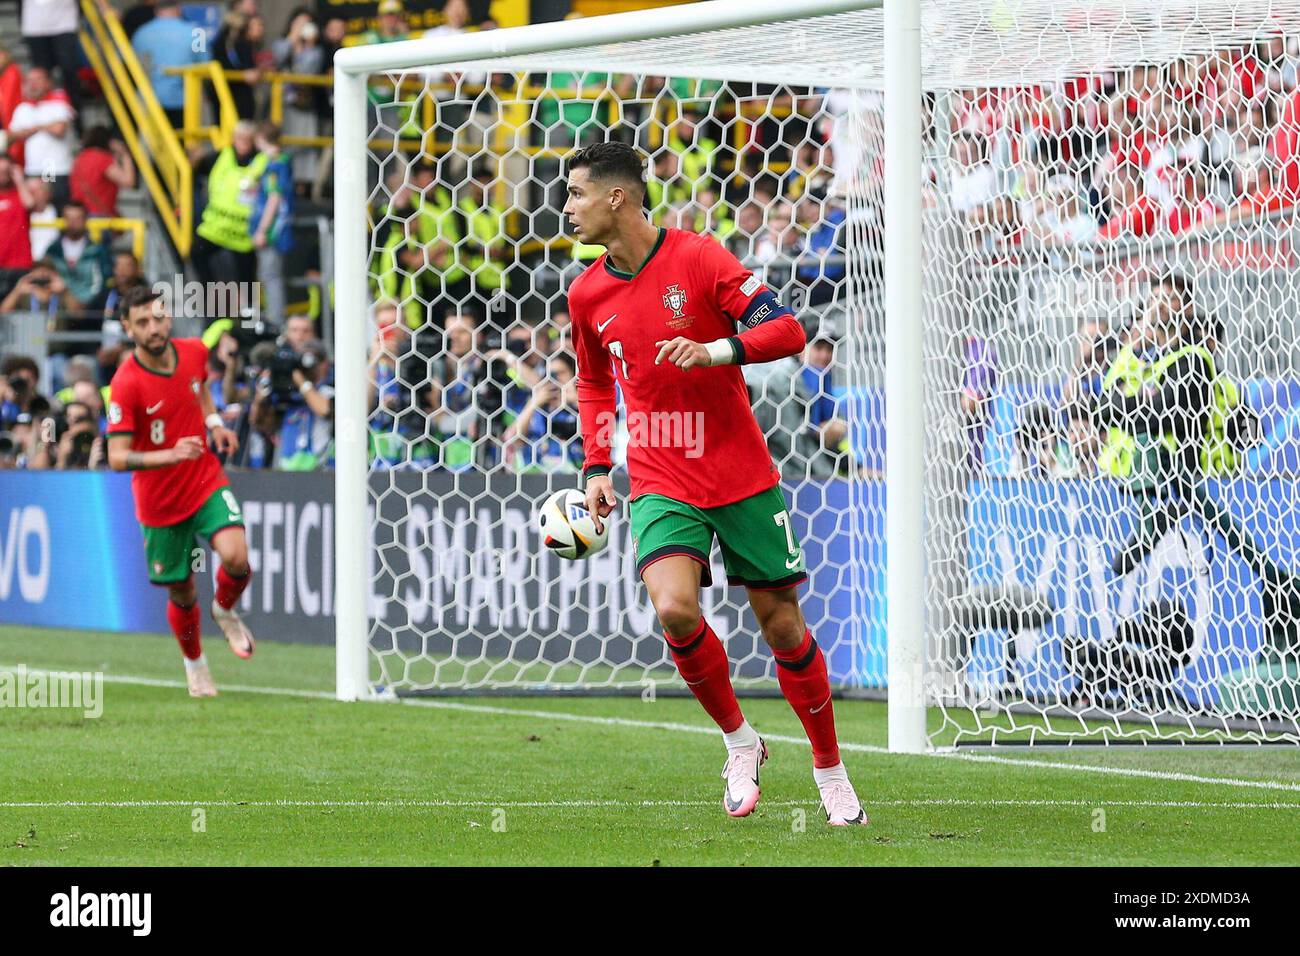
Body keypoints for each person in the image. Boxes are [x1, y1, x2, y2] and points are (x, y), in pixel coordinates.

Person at [567, 142, 867, 825]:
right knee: (673, 607)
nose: (568, 208)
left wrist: (714, 349)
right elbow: (590, 381)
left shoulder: (699, 258)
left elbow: (787, 329)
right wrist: (594, 465)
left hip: (738, 469)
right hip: (659, 469)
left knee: (782, 627)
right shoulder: (586, 293)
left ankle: (829, 768)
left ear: (618, 198)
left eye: (578, 194)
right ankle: (740, 742)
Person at [106, 286, 258, 697]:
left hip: (203, 477)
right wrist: (169, 454)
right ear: (127, 327)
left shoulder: (193, 351)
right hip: (160, 500)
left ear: (168, 317)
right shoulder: (126, 383)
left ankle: (225, 609)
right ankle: (195, 665)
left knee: (236, 556)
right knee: (182, 589)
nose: (153, 328)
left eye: (158, 318)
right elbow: (117, 457)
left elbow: (200, 391)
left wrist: (214, 426)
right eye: (142, 322)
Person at [131, 0, 209, 129]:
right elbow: (205, 64)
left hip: (149, 98)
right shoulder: (196, 33)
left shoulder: (141, 33)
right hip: (185, 99)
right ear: (178, 9)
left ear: (156, 11)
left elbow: (132, 63)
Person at [6, 68, 75, 206]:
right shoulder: (23, 108)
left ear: (48, 83)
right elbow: (10, 136)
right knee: (33, 209)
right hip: (32, 169)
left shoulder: (59, 102)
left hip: (53, 168)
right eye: (29, 80)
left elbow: (59, 129)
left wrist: (31, 129)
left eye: (38, 80)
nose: (33, 84)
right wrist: (43, 126)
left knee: (56, 206)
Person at [71, 127, 136, 217]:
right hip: (99, 214)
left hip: (82, 214)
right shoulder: (102, 158)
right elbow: (128, 181)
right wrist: (125, 153)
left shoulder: (80, 158)